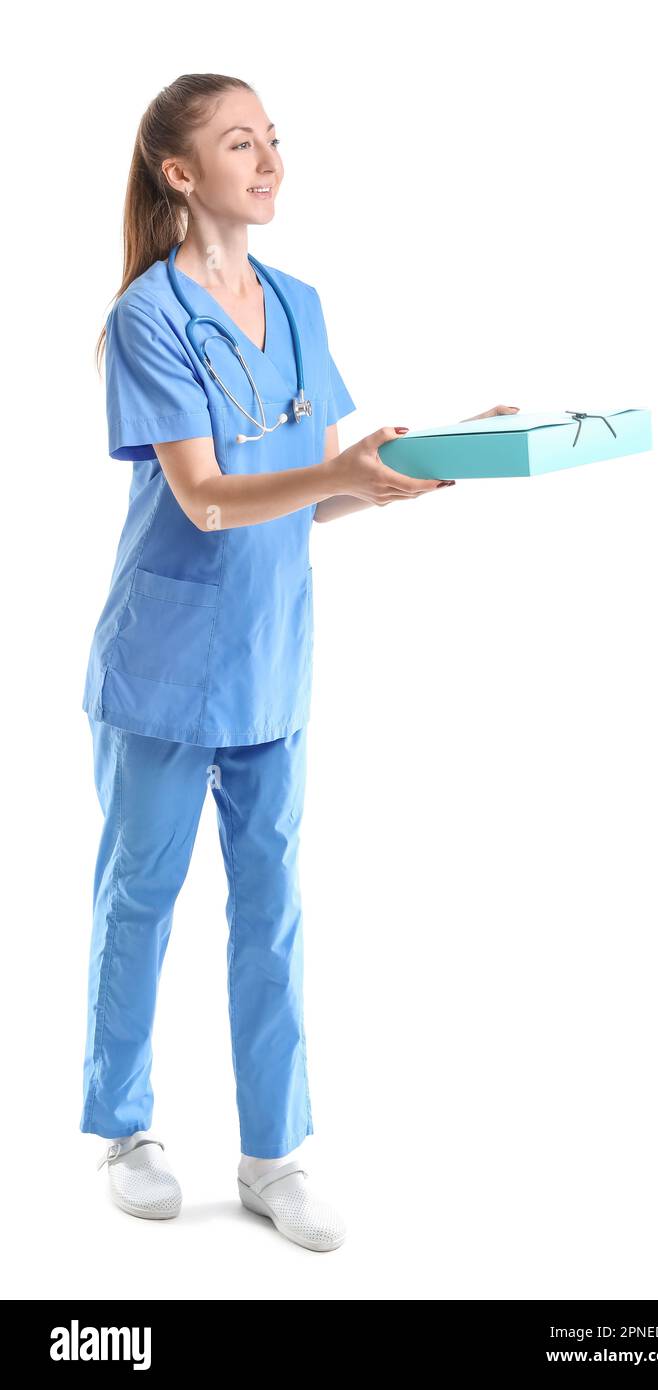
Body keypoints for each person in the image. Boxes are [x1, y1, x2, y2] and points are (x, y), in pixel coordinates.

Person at [80, 71, 518, 1252]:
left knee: (270, 911)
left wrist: (401, 477)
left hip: (272, 660)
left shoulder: (302, 304)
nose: (268, 160)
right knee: (141, 898)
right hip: (166, 661)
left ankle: (272, 1154)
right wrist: (338, 473)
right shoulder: (149, 318)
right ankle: (125, 1129)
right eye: (239, 144)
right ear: (181, 175)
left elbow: (309, 502)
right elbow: (210, 498)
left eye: (273, 138)